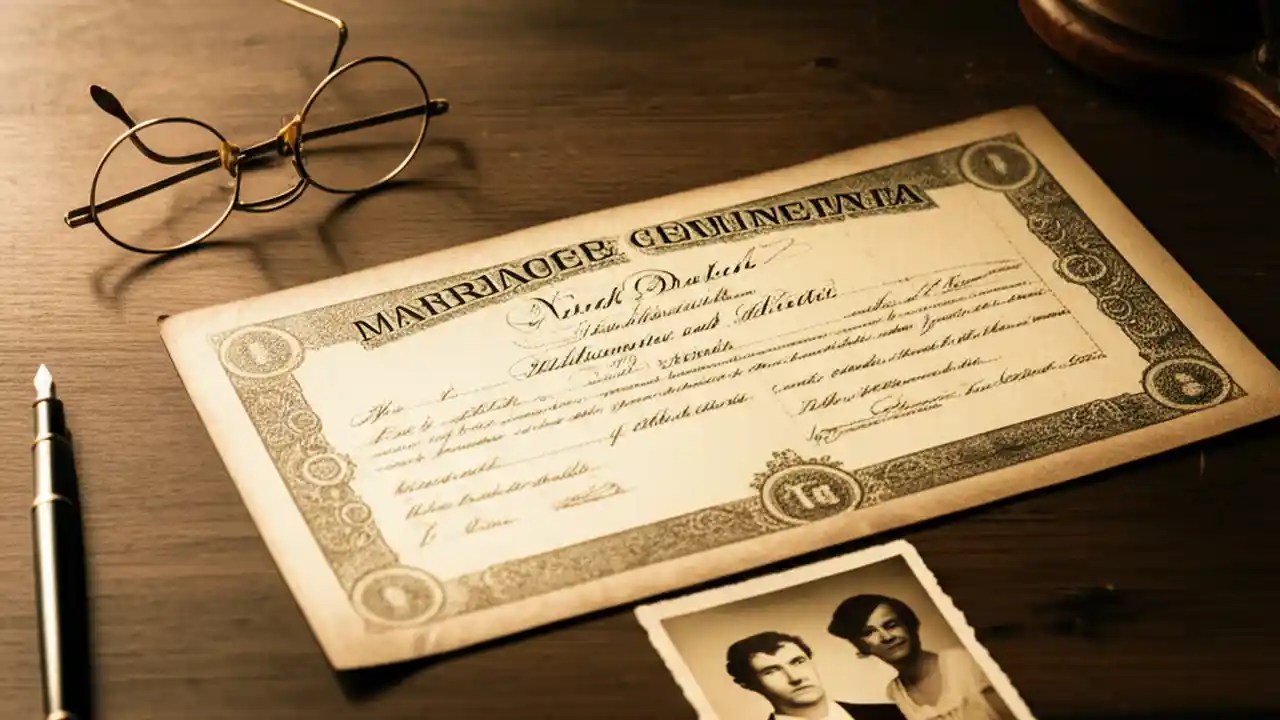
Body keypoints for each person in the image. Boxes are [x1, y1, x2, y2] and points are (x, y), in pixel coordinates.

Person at [826, 595, 1016, 720]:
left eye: (891, 624)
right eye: (869, 632)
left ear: (910, 625)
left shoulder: (968, 665)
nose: (887, 637)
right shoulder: (897, 693)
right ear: (860, 647)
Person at [725, 630, 907, 720]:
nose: (795, 678)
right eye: (771, 671)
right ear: (748, 684)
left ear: (812, 662)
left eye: (798, 662)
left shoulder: (896, 714)